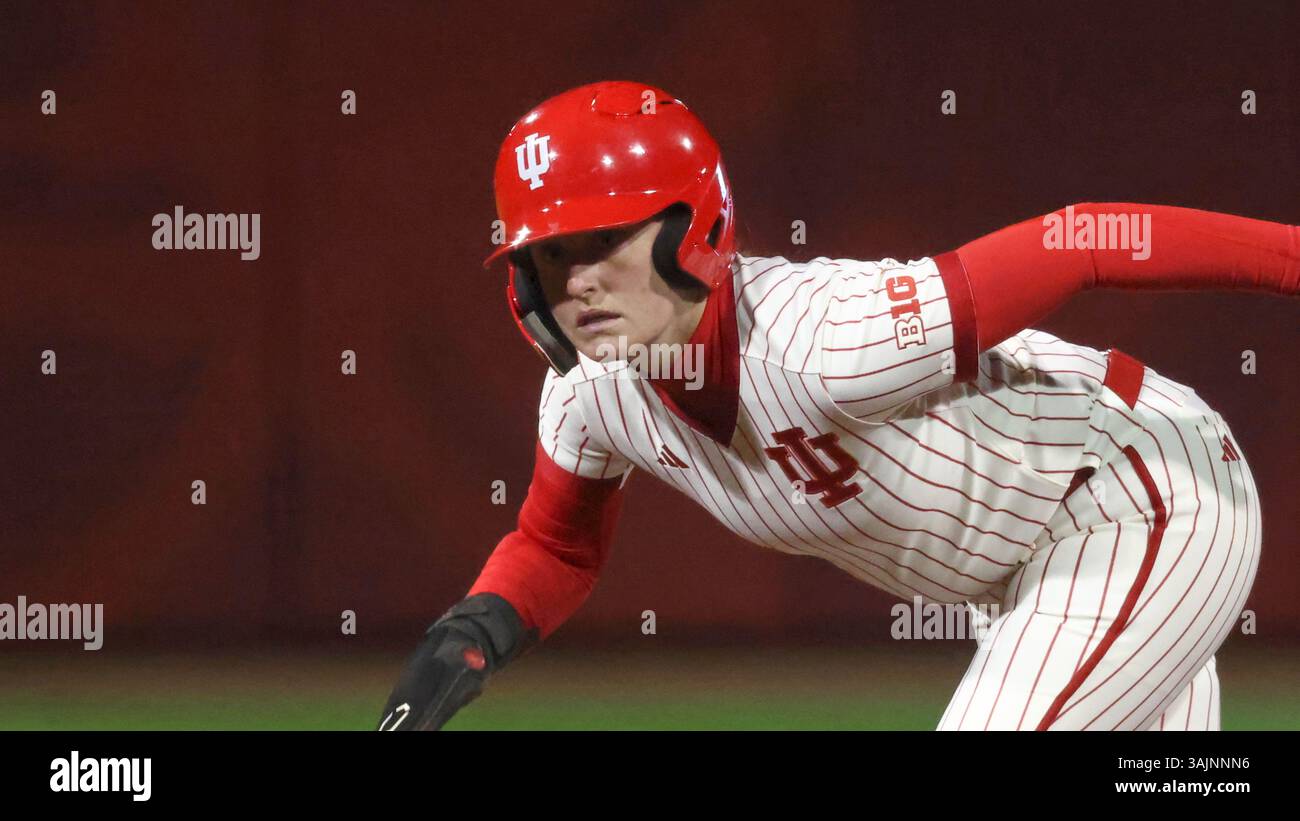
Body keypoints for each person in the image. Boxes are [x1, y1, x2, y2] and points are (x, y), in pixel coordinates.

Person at [377, 80, 1298, 731]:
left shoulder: (822, 339)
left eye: (603, 239)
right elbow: (555, 546)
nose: (573, 280)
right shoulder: (590, 396)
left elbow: (1084, 239)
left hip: (1141, 496)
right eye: (545, 256)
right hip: (1033, 565)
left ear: (693, 225)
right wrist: (472, 632)